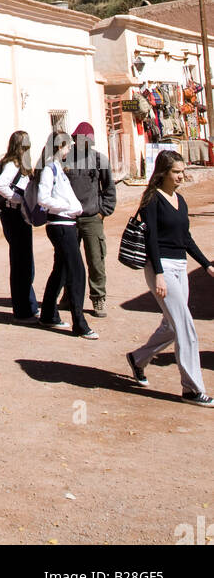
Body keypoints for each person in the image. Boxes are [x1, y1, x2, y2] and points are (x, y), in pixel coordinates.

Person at [126, 150, 214, 405]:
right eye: (176, 172)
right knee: (185, 326)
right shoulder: (151, 200)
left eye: (182, 171)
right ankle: (191, 389)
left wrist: (206, 264)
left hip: (180, 266)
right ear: (163, 172)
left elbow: (186, 238)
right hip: (160, 267)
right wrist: (159, 275)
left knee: (172, 326)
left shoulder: (180, 200)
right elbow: (151, 239)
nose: (181, 176)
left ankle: (138, 358)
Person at [36, 131, 97, 339]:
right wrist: (66, 207)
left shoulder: (57, 167)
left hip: (67, 223)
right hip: (60, 224)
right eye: (68, 146)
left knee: (61, 270)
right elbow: (43, 198)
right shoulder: (48, 169)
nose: (70, 149)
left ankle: (48, 314)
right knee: (76, 272)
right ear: (59, 147)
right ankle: (79, 322)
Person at [61, 121, 116, 318]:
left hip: (92, 218)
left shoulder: (100, 160)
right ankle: (69, 295)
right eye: (78, 139)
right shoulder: (65, 160)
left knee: (95, 261)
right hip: (69, 219)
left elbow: (109, 189)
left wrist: (103, 212)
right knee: (68, 260)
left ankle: (98, 298)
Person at [0, 129, 39, 322]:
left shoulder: (21, 164)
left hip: (19, 216)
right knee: (21, 263)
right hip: (14, 215)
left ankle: (29, 305)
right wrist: (21, 199)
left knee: (25, 263)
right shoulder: (12, 165)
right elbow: (0, 186)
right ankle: (22, 310)